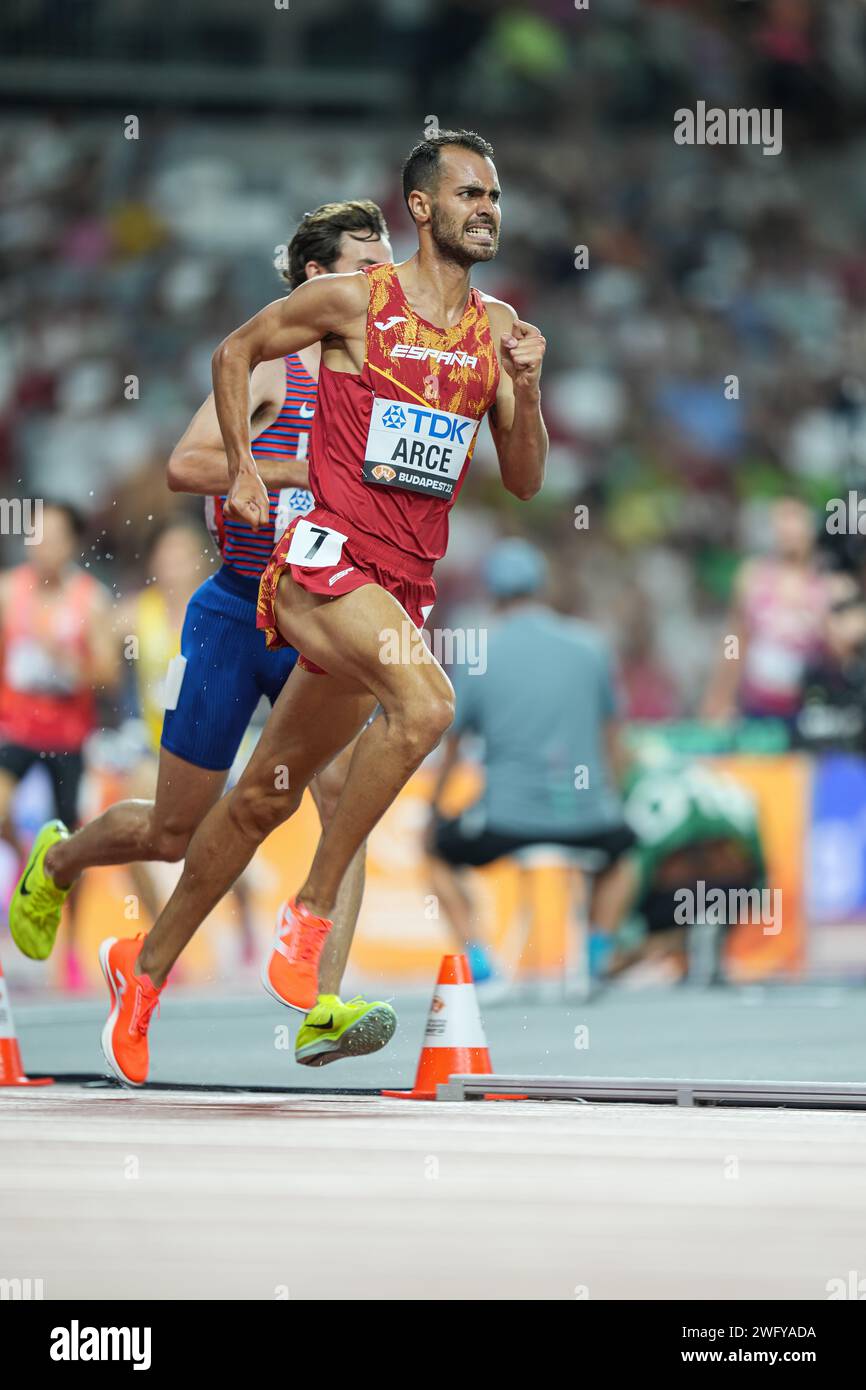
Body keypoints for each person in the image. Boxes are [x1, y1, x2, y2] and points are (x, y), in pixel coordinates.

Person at [88, 128, 548, 1086]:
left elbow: (526, 479)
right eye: (469, 193)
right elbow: (235, 350)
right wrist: (245, 469)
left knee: (266, 794)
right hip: (322, 566)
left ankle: (142, 972)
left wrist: (529, 390)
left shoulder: (499, 330)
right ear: (421, 206)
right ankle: (309, 915)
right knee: (427, 705)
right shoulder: (354, 300)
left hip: (398, 590)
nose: (486, 209)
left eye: (495, 196)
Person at [10, 201, 397, 1070]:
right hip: (233, 614)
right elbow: (186, 465)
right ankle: (60, 862)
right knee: (174, 829)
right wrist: (292, 468)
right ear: (317, 277)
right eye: (368, 267)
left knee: (345, 804)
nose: (384, 283)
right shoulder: (272, 366)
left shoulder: (377, 384)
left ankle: (323, 1003)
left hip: (318, 616)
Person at [426, 538, 636, 981]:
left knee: (436, 854)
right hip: (588, 818)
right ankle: (598, 947)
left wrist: (434, 812)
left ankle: (479, 958)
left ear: (492, 594)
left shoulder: (481, 654)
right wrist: (614, 799)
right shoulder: (591, 646)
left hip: (506, 822)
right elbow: (614, 740)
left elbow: (453, 747)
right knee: (622, 857)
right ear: (542, 587)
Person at [0, 501, 119, 989]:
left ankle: (69, 945)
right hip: (16, 730)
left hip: (68, 738)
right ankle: (31, 861)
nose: (43, 545)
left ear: (71, 543)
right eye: (36, 535)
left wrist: (68, 663)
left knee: (73, 845)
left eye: (53, 536)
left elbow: (110, 675)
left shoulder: (91, 600)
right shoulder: (8, 591)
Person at [702, 496, 830, 724]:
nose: (790, 528)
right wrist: (720, 695)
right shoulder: (753, 577)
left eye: (797, 519)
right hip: (757, 706)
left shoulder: (826, 583)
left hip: (808, 707)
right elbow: (734, 638)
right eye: (783, 519)